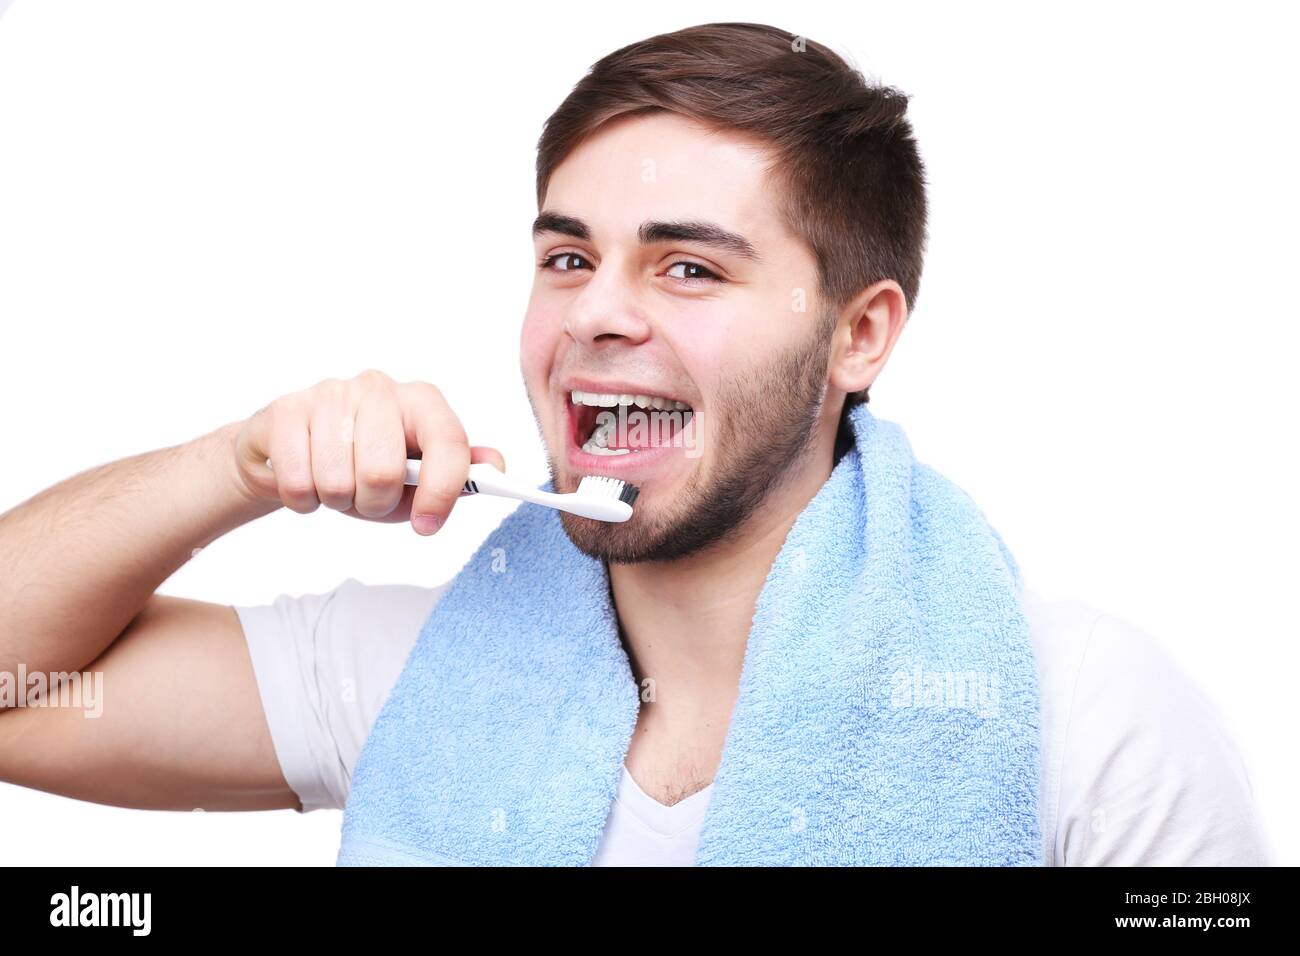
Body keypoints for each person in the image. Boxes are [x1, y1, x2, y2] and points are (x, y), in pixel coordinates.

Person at [0, 22, 1274, 866]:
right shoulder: (407, 678)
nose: (596, 312)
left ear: (860, 335)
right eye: (568, 257)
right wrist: (238, 467)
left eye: (686, 266)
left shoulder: (1090, 722)